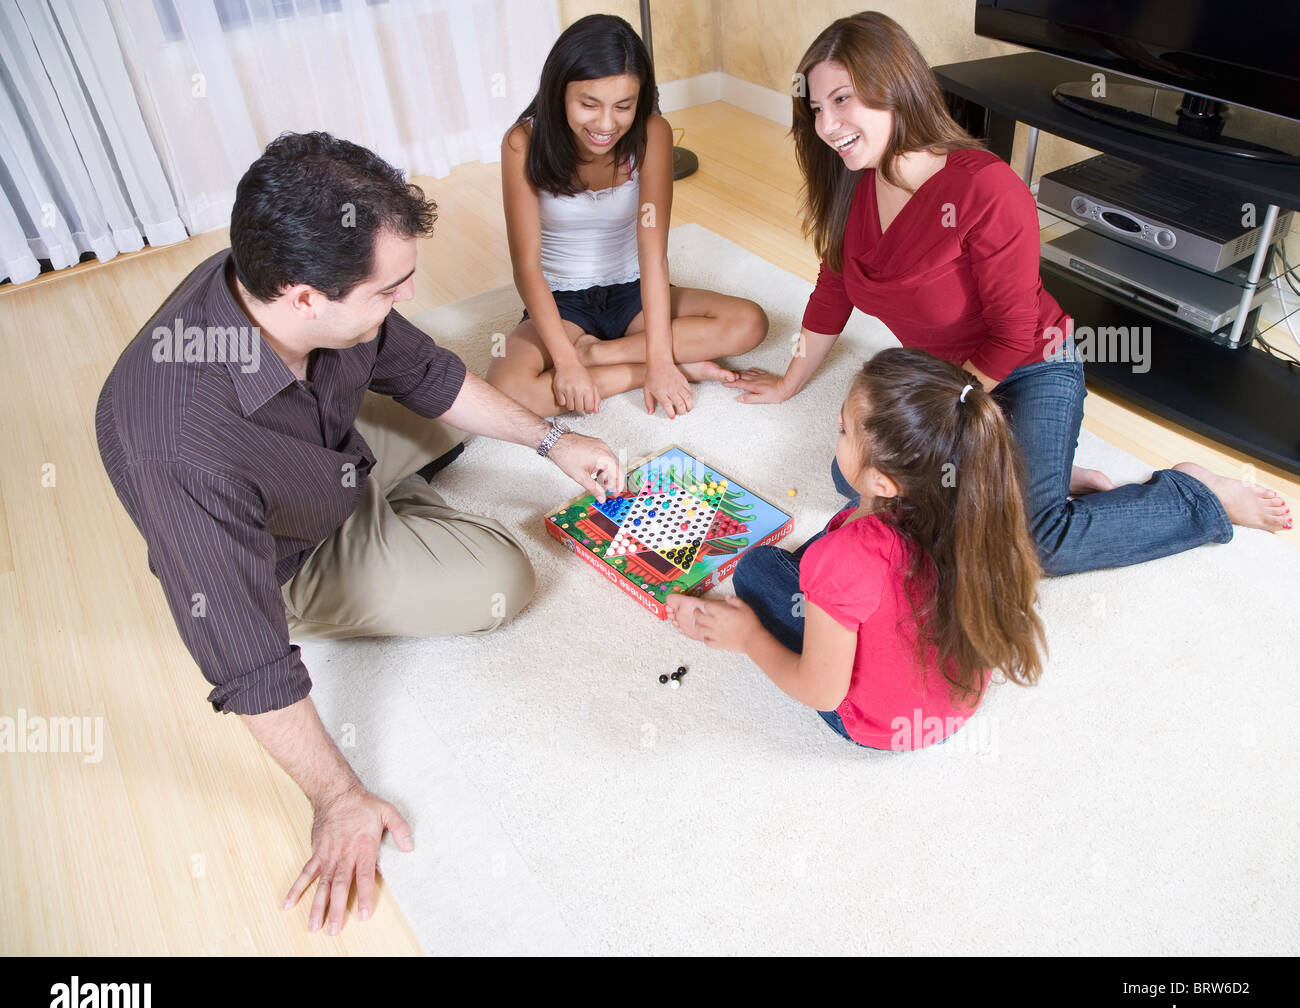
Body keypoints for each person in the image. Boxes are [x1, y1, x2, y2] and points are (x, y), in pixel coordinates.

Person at [96, 131, 620, 936]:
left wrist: (555, 444)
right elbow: (248, 658)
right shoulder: (182, 446)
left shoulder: (307, 294)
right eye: (388, 291)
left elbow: (428, 375)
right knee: (502, 581)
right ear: (304, 297)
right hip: (294, 551)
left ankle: (406, 503)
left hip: (337, 448)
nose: (402, 301)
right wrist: (339, 797)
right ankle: (402, 531)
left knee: (478, 402)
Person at [727, 11, 1291, 574]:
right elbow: (833, 289)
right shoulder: (852, 183)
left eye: (843, 99)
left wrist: (937, 425)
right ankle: (1026, 472)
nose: (827, 125)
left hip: (1029, 366)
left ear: (894, 86)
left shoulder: (984, 187)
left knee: (1031, 544)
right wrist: (788, 381)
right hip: (941, 378)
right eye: (818, 108)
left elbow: (1014, 333)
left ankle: (1194, 494)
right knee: (855, 479)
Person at [668, 348, 1046, 749]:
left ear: (884, 484)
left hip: (880, 723)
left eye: (844, 429)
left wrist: (746, 636)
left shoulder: (846, 558)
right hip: (953, 703)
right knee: (848, 526)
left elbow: (820, 692)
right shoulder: (977, 506)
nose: (837, 427)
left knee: (755, 568)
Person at [487, 13, 768, 420]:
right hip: (561, 301)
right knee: (507, 391)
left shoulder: (653, 133)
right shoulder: (522, 143)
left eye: (623, 106)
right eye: (588, 104)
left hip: (632, 291)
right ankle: (641, 369)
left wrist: (659, 360)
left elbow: (652, 254)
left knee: (749, 323)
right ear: (559, 92)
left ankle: (600, 353)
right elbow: (526, 268)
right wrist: (568, 363)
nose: (606, 124)